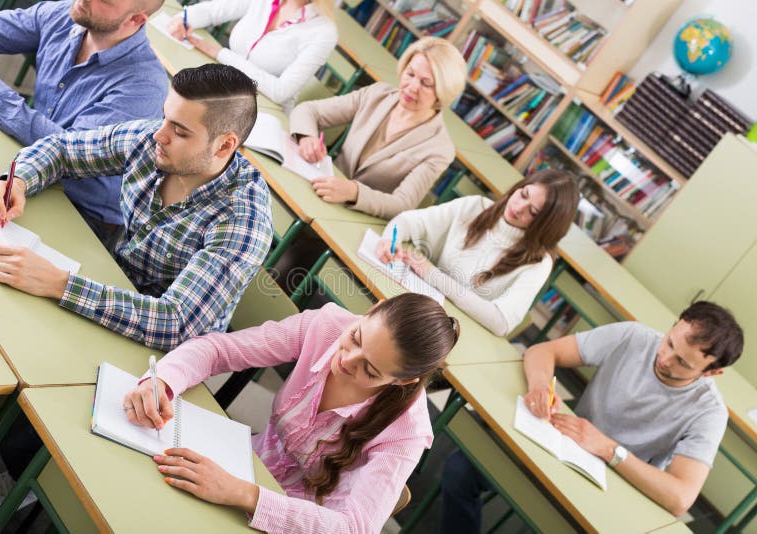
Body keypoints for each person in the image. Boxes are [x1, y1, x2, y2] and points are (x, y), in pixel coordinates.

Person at [0, 64, 273, 518]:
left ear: (224, 145)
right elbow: (63, 150)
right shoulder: (156, 139)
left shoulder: (243, 218)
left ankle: (22, 474)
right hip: (109, 288)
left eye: (180, 130)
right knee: (0, 320)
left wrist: (60, 284)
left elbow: (175, 323)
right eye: (165, 117)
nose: (160, 134)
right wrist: (20, 179)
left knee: (53, 398)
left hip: (162, 358)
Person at [124, 293, 460, 533]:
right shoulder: (326, 325)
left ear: (403, 380)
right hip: (237, 464)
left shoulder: (406, 433)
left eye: (369, 371)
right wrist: (163, 382)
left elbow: (353, 528)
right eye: (356, 337)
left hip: (296, 521)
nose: (346, 360)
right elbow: (219, 350)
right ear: (371, 310)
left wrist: (243, 493)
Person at [441, 301, 744, 533]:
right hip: (559, 446)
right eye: (669, 343)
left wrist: (608, 449)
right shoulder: (634, 336)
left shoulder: (709, 412)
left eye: (682, 362)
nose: (664, 358)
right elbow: (543, 352)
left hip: (610, 487)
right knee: (459, 471)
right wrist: (540, 385)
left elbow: (680, 498)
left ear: (711, 372)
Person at [0, 0, 169, 248]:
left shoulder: (144, 86)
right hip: (24, 165)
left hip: (79, 213)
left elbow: (66, 154)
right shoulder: (71, 13)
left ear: (135, 20)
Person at [374, 170, 579, 336]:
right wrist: (390, 240)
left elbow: (501, 322)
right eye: (523, 194)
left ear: (545, 225)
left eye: (533, 212)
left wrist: (432, 275)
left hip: (448, 333)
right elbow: (408, 221)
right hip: (409, 303)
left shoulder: (538, 263)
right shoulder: (475, 206)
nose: (518, 208)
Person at [289, 36, 466, 219]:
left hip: (358, 217)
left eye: (426, 83)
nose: (412, 87)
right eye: (410, 74)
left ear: (443, 92)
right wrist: (307, 137)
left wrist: (354, 192)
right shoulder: (377, 94)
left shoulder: (440, 149)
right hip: (319, 190)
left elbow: (402, 204)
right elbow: (308, 110)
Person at [166, 0, 337, 112]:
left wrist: (221, 54)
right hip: (222, 87)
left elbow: (280, 91)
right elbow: (215, 10)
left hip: (262, 110)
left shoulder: (324, 32)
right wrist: (184, 19)